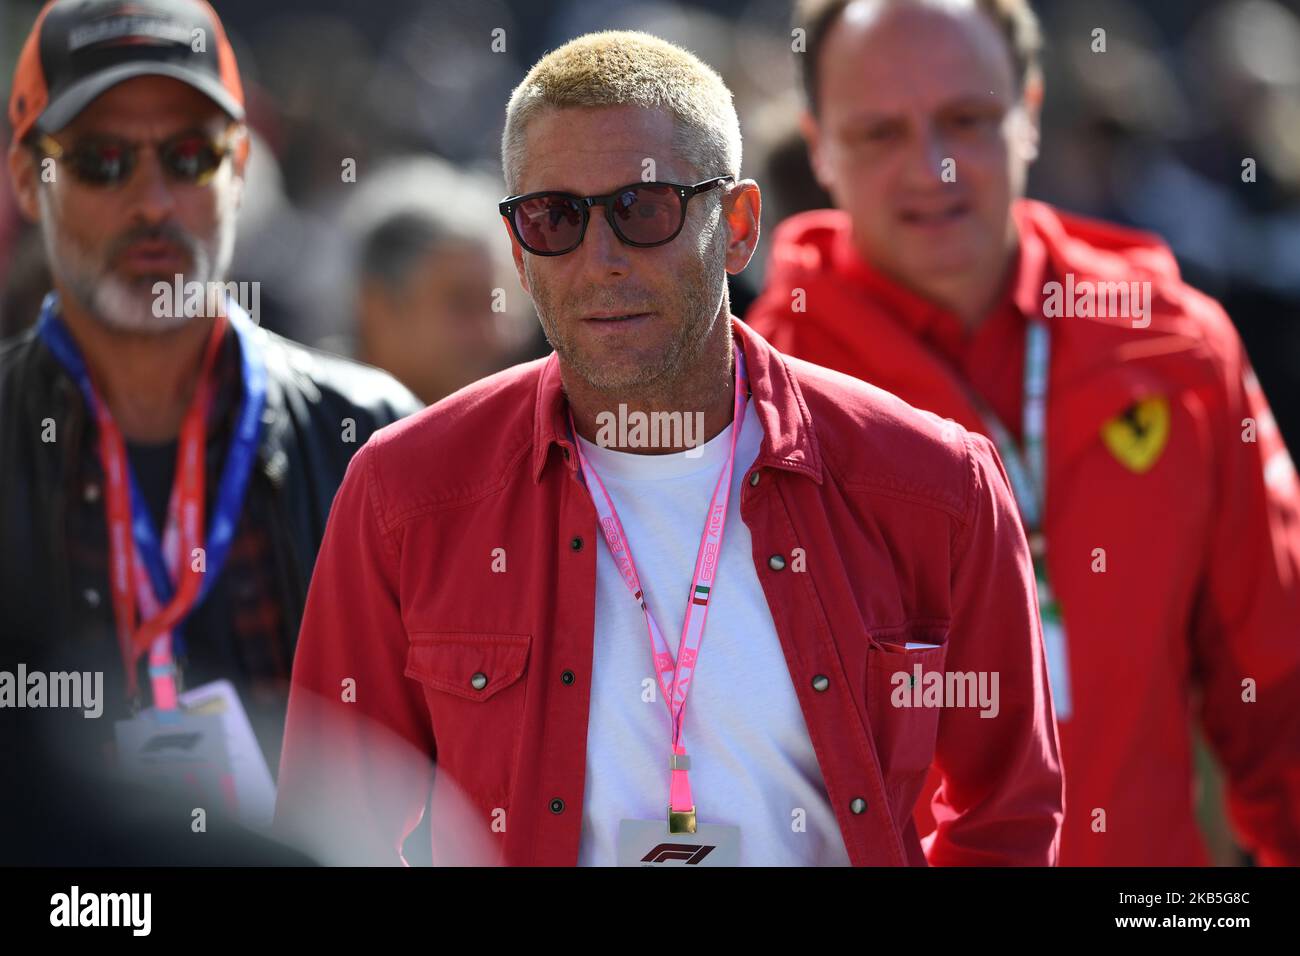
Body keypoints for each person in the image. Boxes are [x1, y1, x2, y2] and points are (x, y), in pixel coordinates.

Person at [274, 29, 1062, 866]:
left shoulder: (936, 483)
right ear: (517, 247)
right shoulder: (405, 492)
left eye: (644, 209)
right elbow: (330, 828)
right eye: (554, 218)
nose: (600, 259)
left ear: (739, 227)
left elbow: (1007, 810)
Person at [747, 0, 1300, 865]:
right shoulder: (756, 399)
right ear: (818, 146)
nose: (932, 167)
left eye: (967, 119)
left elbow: (1279, 695)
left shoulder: (1176, 345)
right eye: (880, 133)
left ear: (1031, 112)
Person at [0, 0, 420, 856]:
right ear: (23, 182)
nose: (152, 202)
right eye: (100, 160)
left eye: (189, 156)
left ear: (239, 171)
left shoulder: (374, 437)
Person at [338, 156, 539, 404]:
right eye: (462, 304)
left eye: (496, 305)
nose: (493, 335)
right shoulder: (308, 428)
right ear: (379, 309)